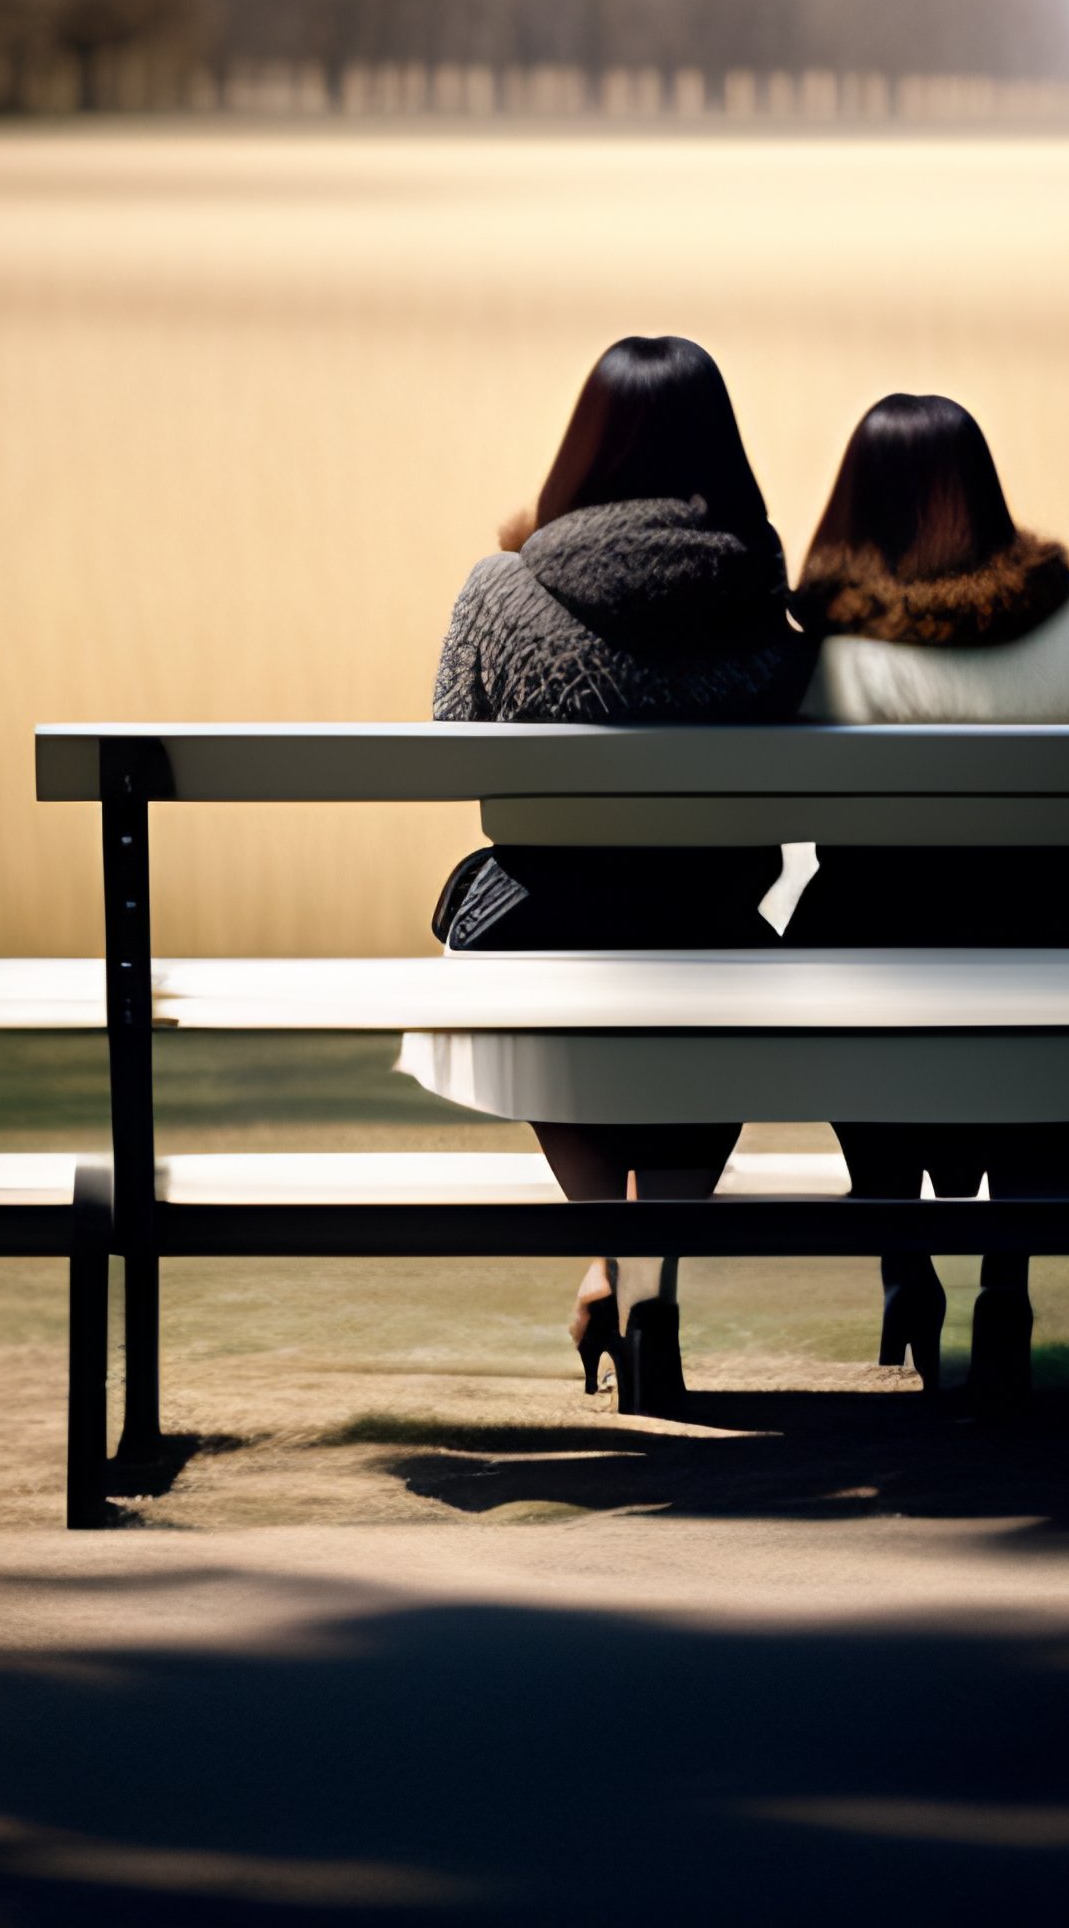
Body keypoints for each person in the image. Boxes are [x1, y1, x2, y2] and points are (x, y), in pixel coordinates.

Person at [429, 336, 808, 1391]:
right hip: (711, 923)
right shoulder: (770, 610)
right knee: (734, 956)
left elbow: (447, 739)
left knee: (515, 941)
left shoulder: (498, 591)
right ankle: (654, 1276)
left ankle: (601, 1250)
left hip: (544, 921)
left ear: (580, 449)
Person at [785, 392, 1069, 1393]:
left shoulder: (836, 658)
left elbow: (803, 826)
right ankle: (1009, 1276)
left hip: (889, 980)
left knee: (837, 920)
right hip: (1066, 967)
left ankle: (901, 1261)